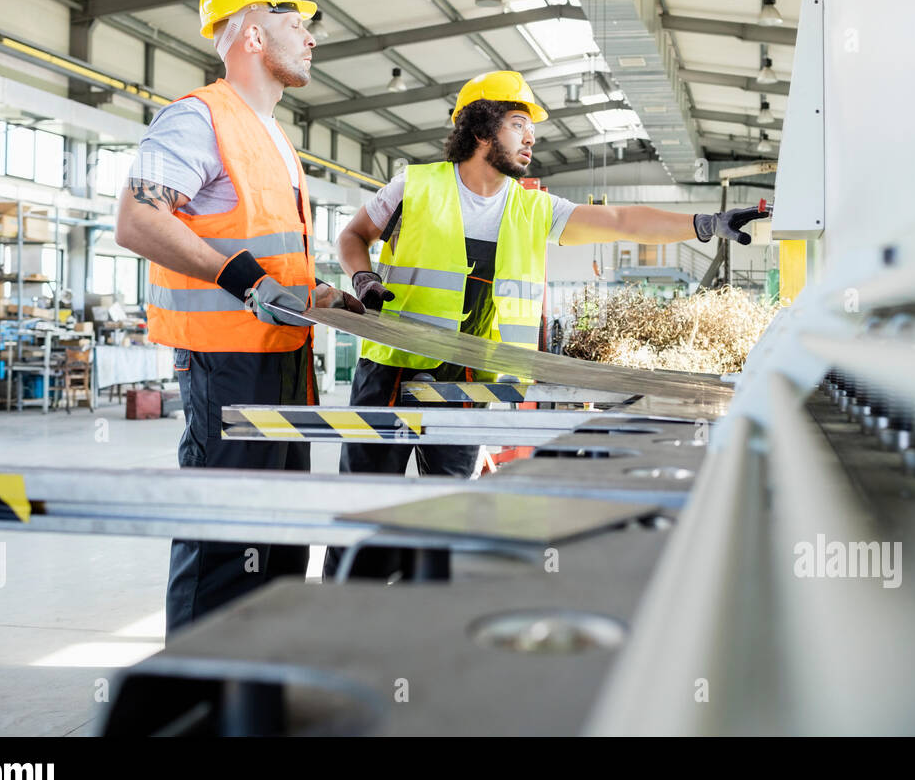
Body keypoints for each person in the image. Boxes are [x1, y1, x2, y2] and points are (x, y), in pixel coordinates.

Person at [327, 70, 766, 579]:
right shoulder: (416, 184)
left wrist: (705, 224)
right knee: (365, 511)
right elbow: (352, 235)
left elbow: (621, 222)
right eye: (519, 123)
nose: (532, 137)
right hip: (392, 371)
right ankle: (348, 610)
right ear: (481, 129)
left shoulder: (534, 208)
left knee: (448, 514)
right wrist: (362, 278)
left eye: (531, 127)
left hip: (469, 384)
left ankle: (424, 614)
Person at [114, 0, 364, 634]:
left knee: (278, 540)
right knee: (224, 539)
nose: (310, 39)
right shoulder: (199, 118)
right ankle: (195, 700)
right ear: (252, 32)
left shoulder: (276, 136)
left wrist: (320, 295)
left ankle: (256, 693)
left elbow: (271, 257)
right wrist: (243, 280)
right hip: (227, 367)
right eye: (296, 23)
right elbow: (138, 220)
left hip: (284, 363)